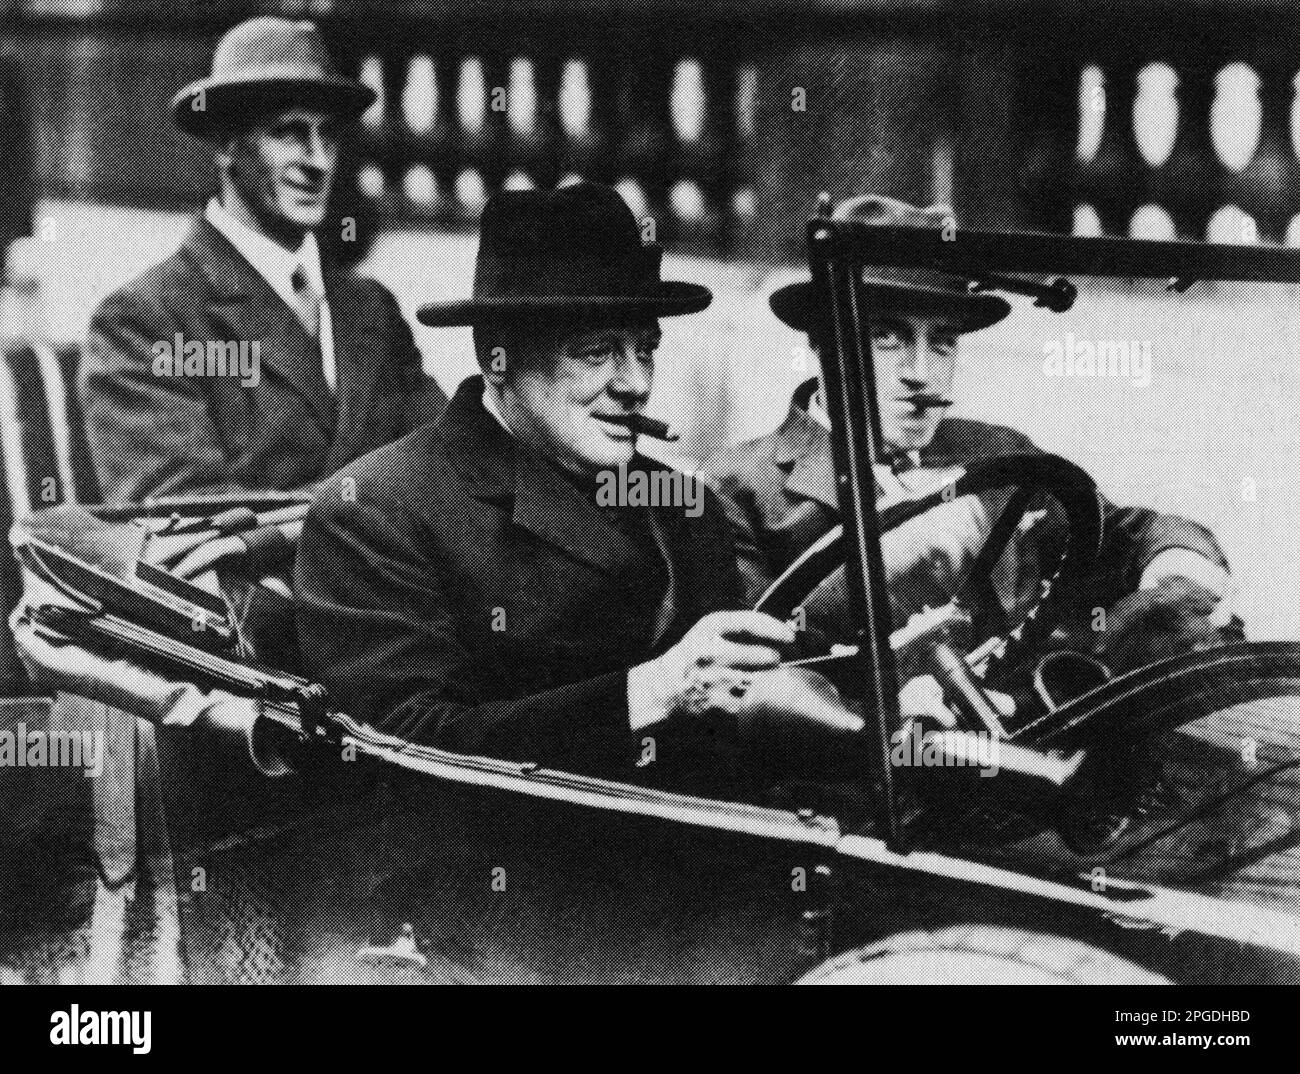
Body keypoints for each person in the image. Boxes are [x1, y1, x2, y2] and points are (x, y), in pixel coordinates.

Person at [295, 182, 860, 779]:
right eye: (596, 352)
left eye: (645, 349)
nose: (635, 384)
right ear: (498, 359)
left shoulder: (681, 501)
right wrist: (650, 692)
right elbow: (401, 755)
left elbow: (735, 721)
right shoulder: (376, 512)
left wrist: (865, 711)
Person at [701, 195, 1236, 675]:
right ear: (825, 344)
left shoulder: (999, 455)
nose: (919, 373)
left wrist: (1176, 565)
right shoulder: (737, 490)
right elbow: (755, 675)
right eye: (888, 339)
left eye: (942, 343)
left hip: (1036, 744)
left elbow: (1128, 532)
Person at [80, 16, 446, 510]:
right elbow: (189, 520)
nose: (317, 160)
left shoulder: (370, 311)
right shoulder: (147, 321)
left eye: (329, 136)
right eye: (288, 133)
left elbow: (446, 464)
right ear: (225, 144)